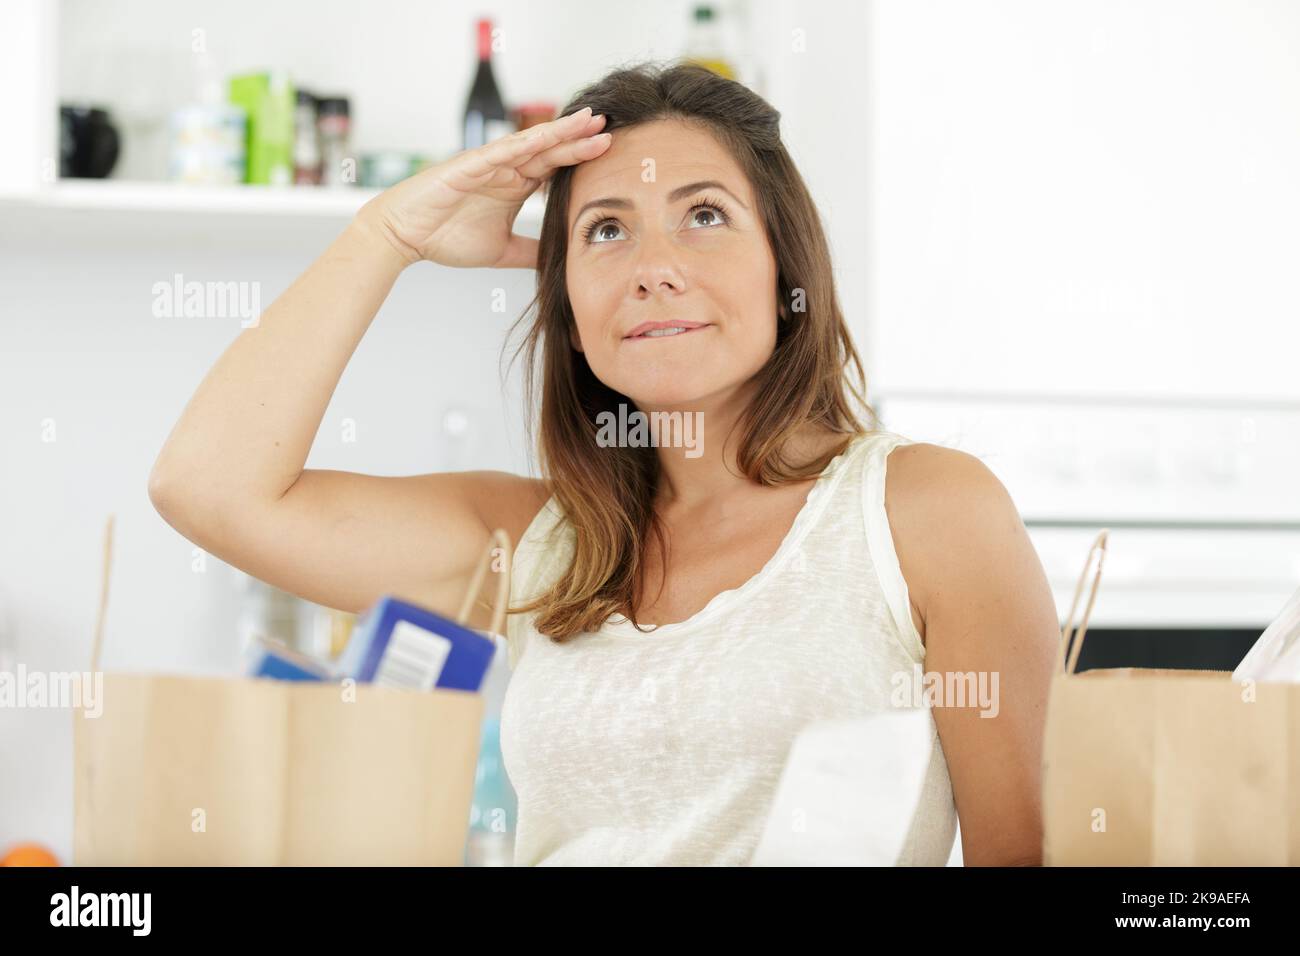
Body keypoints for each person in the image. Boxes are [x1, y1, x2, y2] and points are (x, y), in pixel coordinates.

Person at [149, 61, 1060, 866]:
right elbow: (210, 489)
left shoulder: (923, 511)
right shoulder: (534, 545)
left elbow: (1022, 857)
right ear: (570, 312)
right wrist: (385, 235)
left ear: (788, 268)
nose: (654, 267)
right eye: (606, 232)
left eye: (704, 215)